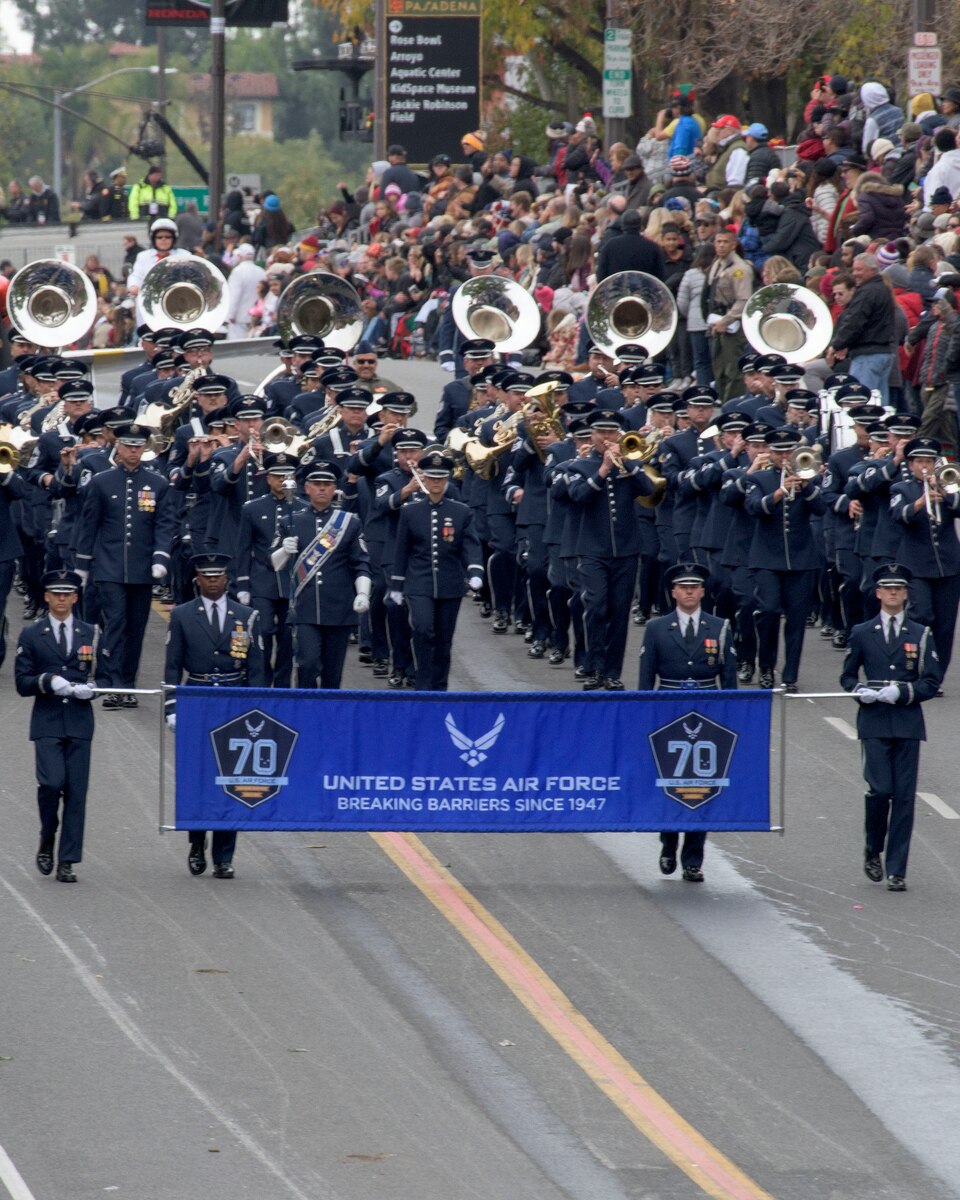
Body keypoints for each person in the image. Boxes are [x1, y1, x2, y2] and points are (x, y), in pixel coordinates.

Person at [164, 553, 266, 879]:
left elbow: (257, 670)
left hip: (233, 703)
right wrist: (171, 707)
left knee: (232, 781)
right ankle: (197, 843)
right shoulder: (182, 615)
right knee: (198, 778)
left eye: (217, 576)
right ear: (197, 578)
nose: (212, 581)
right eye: (206, 576)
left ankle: (224, 855)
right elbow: (171, 666)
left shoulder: (246, 616)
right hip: (197, 698)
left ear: (227, 579)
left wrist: (257, 709)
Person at [840, 563, 941, 890]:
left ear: (905, 594)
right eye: (888, 588)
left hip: (908, 721)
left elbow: (931, 680)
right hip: (874, 722)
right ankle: (873, 846)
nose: (893, 593)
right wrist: (860, 692)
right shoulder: (861, 632)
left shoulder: (920, 634)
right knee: (880, 790)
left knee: (905, 797)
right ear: (878, 593)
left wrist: (902, 691)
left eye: (899, 589)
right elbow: (847, 675)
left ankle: (897, 869)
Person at [638, 562, 738, 882]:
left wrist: (731, 716)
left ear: (703, 592)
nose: (690, 592)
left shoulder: (719, 626)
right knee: (670, 784)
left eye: (694, 587)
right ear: (674, 593)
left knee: (701, 788)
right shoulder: (656, 628)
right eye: (683, 587)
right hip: (669, 711)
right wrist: (644, 716)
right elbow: (646, 677)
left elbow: (729, 677)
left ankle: (693, 858)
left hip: (707, 711)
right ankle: (668, 843)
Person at [74, 423, 177, 707]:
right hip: (109, 567)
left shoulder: (157, 483)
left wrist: (160, 557)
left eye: (138, 446)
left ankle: (128, 682)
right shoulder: (102, 481)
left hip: (143, 568)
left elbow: (165, 524)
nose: (133, 451)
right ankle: (114, 683)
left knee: (136, 626)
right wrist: (82, 565)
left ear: (145, 448)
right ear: (117, 446)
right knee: (115, 624)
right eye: (128, 446)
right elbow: (89, 525)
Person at [14, 569, 97, 882]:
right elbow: (22, 682)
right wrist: (47, 681)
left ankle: (68, 859)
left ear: (75, 598)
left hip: (79, 721)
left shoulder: (91, 633)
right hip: (47, 720)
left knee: (76, 792)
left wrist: (94, 688)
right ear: (46, 597)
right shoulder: (32, 635)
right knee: (51, 785)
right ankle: (48, 836)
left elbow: (105, 674)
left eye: (67, 594)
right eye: (55, 594)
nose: (61, 599)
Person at [271, 459, 371, 689]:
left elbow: (361, 562)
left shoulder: (349, 523)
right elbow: (271, 563)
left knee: (332, 674)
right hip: (304, 609)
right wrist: (283, 551)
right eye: (316, 483)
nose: (322, 488)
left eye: (327, 483)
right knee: (307, 665)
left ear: (335, 488)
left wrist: (363, 593)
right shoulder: (290, 521)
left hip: (339, 609)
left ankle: (329, 720)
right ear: (306, 488)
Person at [390, 450, 483, 690]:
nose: (435, 483)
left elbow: (470, 545)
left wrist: (475, 572)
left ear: (447, 480)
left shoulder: (461, 511)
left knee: (443, 639)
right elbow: (401, 550)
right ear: (424, 479)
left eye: (440, 479)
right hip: (418, 582)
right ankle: (422, 683)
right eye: (431, 478)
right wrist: (397, 585)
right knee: (422, 628)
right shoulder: (410, 512)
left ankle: (440, 687)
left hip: (449, 583)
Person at [827, 252, 897, 405]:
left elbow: (854, 322)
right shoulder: (882, 289)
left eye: (860, 270)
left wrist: (837, 344)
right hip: (884, 353)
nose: (855, 274)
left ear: (873, 270)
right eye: (854, 270)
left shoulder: (866, 292)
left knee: (861, 404)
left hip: (868, 356)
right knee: (879, 405)